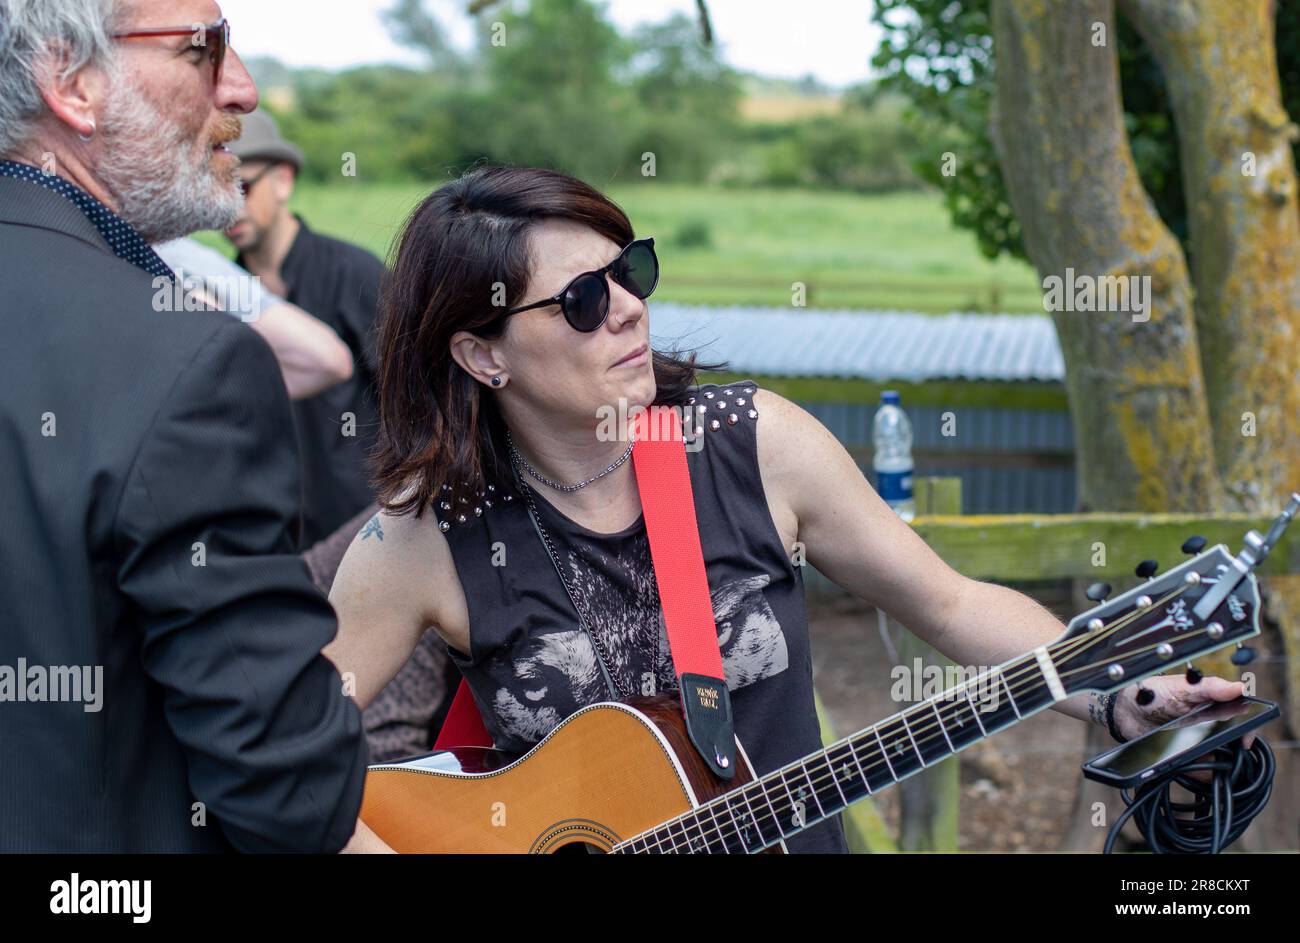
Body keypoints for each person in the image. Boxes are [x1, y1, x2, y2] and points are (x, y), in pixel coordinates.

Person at [323, 165, 1248, 853]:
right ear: (483, 355)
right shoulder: (423, 540)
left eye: (630, 272)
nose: (629, 311)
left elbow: (952, 604)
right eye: (579, 300)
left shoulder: (752, 443)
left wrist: (1111, 692)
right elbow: (283, 746)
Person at [0, 0, 372, 852]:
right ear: (71, 84)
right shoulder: (188, 361)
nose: (239, 90)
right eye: (203, 49)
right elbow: (293, 798)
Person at [224, 110, 385, 547]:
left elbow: (419, 405)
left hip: (368, 533)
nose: (229, 206)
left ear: (283, 181)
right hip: (274, 539)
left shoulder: (355, 274)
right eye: (215, 189)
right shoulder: (218, 292)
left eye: (242, 186)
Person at [154, 236, 354, 400]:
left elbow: (331, 361)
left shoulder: (350, 268)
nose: (238, 210)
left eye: (246, 190)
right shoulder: (173, 256)